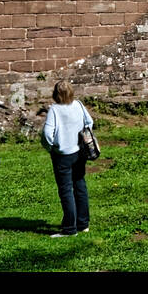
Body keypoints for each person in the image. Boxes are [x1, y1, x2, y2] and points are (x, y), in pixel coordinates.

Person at [41, 81, 93, 237]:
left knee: (66, 190)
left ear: (56, 94)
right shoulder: (78, 104)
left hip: (63, 154)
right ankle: (83, 224)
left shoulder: (55, 110)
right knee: (80, 185)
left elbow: (47, 134)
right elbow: (89, 122)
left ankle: (70, 228)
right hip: (79, 151)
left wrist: (52, 146)